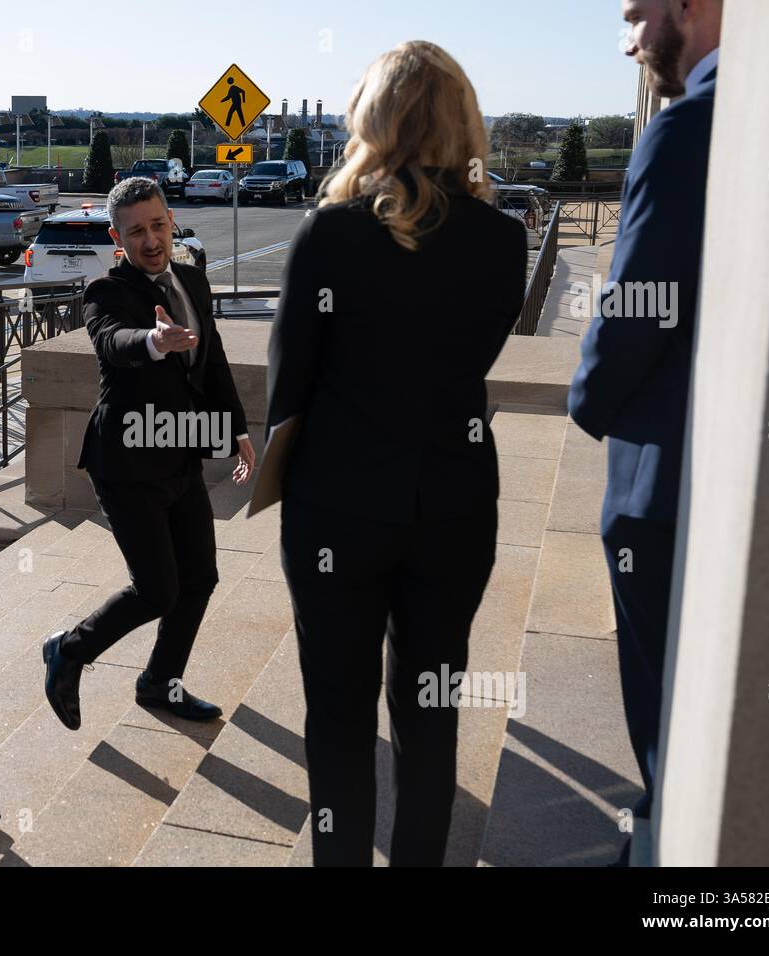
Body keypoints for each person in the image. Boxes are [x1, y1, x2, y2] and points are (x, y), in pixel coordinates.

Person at [267, 41, 528, 866]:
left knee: (339, 717)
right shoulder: (503, 238)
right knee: (431, 708)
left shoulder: (331, 234)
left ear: (373, 119)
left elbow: (288, 385)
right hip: (453, 503)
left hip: (338, 507)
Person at [568, 0, 722, 866]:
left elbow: (633, 311)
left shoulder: (685, 129)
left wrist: (585, 404)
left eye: (635, 15)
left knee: (669, 723)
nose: (629, 41)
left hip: (661, 486)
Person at [42, 176, 255, 732]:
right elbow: (114, 340)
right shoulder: (106, 292)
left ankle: (161, 682)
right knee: (158, 589)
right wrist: (154, 342)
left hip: (179, 451)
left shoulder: (193, 281)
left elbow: (213, 362)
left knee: (200, 577)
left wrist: (235, 428)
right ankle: (68, 650)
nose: (151, 240)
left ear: (171, 221)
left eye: (158, 225)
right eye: (136, 232)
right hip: (127, 462)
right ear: (118, 238)